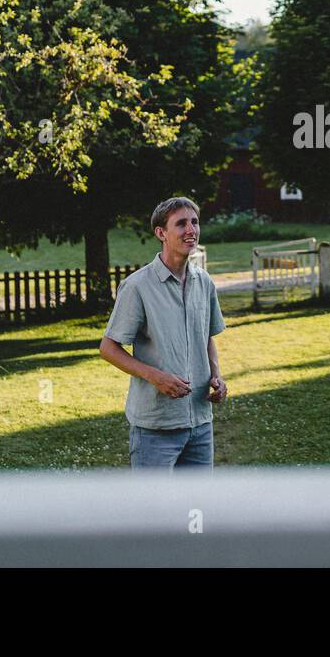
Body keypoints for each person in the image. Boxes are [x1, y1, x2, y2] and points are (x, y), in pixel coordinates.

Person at [99, 196, 227, 470]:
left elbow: (206, 336)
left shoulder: (204, 282)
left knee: (195, 506)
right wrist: (155, 377)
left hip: (200, 423)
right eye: (181, 224)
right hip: (156, 427)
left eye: (194, 222)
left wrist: (216, 374)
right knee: (154, 512)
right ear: (161, 233)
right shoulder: (137, 286)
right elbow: (108, 348)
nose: (191, 230)